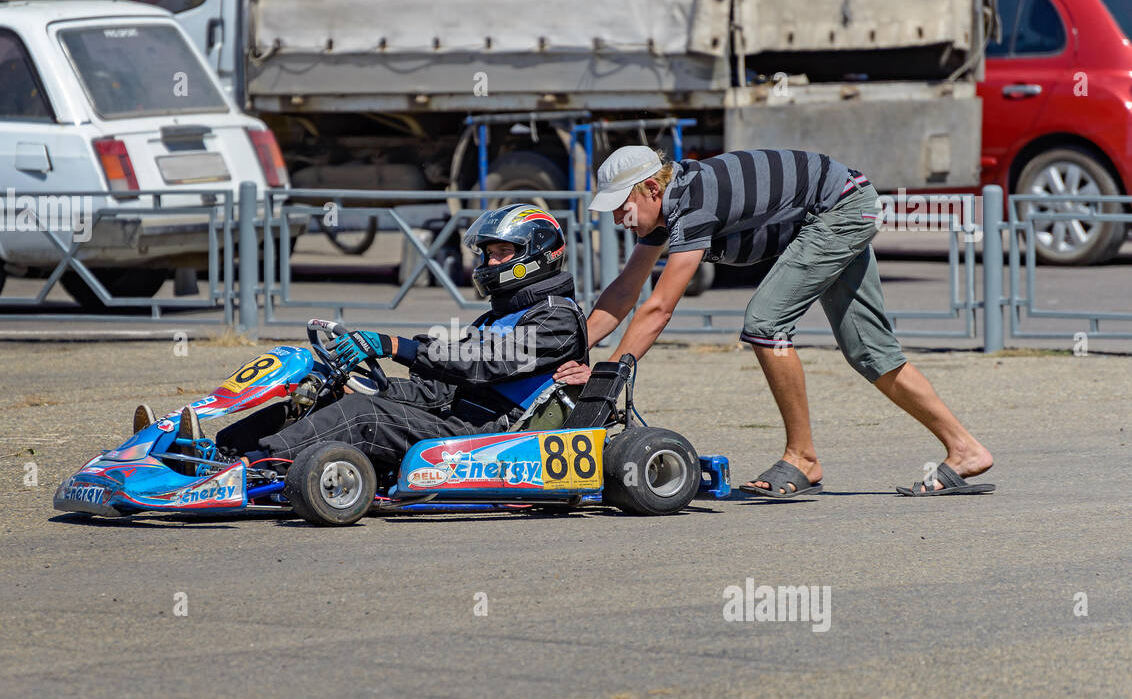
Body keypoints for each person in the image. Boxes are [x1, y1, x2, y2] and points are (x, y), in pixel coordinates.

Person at [554, 146, 995, 498]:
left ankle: (802, 457)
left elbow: (660, 306)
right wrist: (572, 351)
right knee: (869, 350)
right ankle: (966, 449)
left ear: (651, 188)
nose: (616, 219)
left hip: (839, 208)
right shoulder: (666, 208)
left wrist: (611, 371)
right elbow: (626, 290)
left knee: (766, 323)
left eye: (620, 206)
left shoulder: (692, 203)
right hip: (838, 203)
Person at [135, 204, 587, 473]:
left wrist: (393, 346)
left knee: (365, 414)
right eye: (487, 253)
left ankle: (246, 468)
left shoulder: (557, 321)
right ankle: (211, 450)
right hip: (458, 416)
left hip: (491, 438)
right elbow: (440, 388)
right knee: (323, 391)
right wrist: (378, 383)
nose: (490, 262)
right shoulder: (502, 315)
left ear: (538, 257)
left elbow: (476, 363)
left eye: (502, 252)